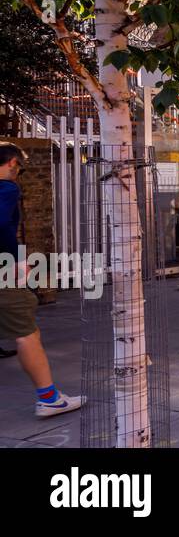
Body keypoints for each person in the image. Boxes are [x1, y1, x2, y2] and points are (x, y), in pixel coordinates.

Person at [0, 144, 82, 417]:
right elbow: (1, 225)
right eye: (20, 168)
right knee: (27, 333)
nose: (19, 173)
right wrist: (15, 261)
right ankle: (48, 398)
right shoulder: (7, 188)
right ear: (12, 163)